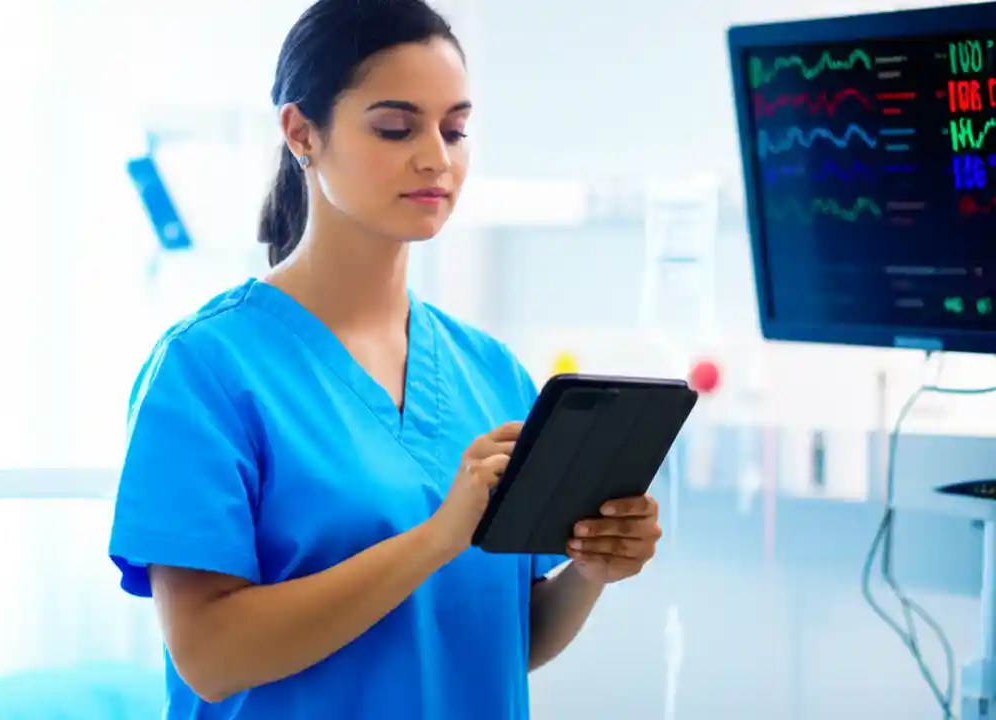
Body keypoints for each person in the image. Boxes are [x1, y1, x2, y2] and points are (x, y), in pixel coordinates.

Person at [107, 1, 663, 718]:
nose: (437, 156)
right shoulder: (208, 371)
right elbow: (212, 658)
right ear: (301, 132)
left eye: (455, 129)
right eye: (396, 127)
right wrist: (435, 539)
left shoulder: (492, 374)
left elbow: (501, 639)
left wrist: (590, 570)